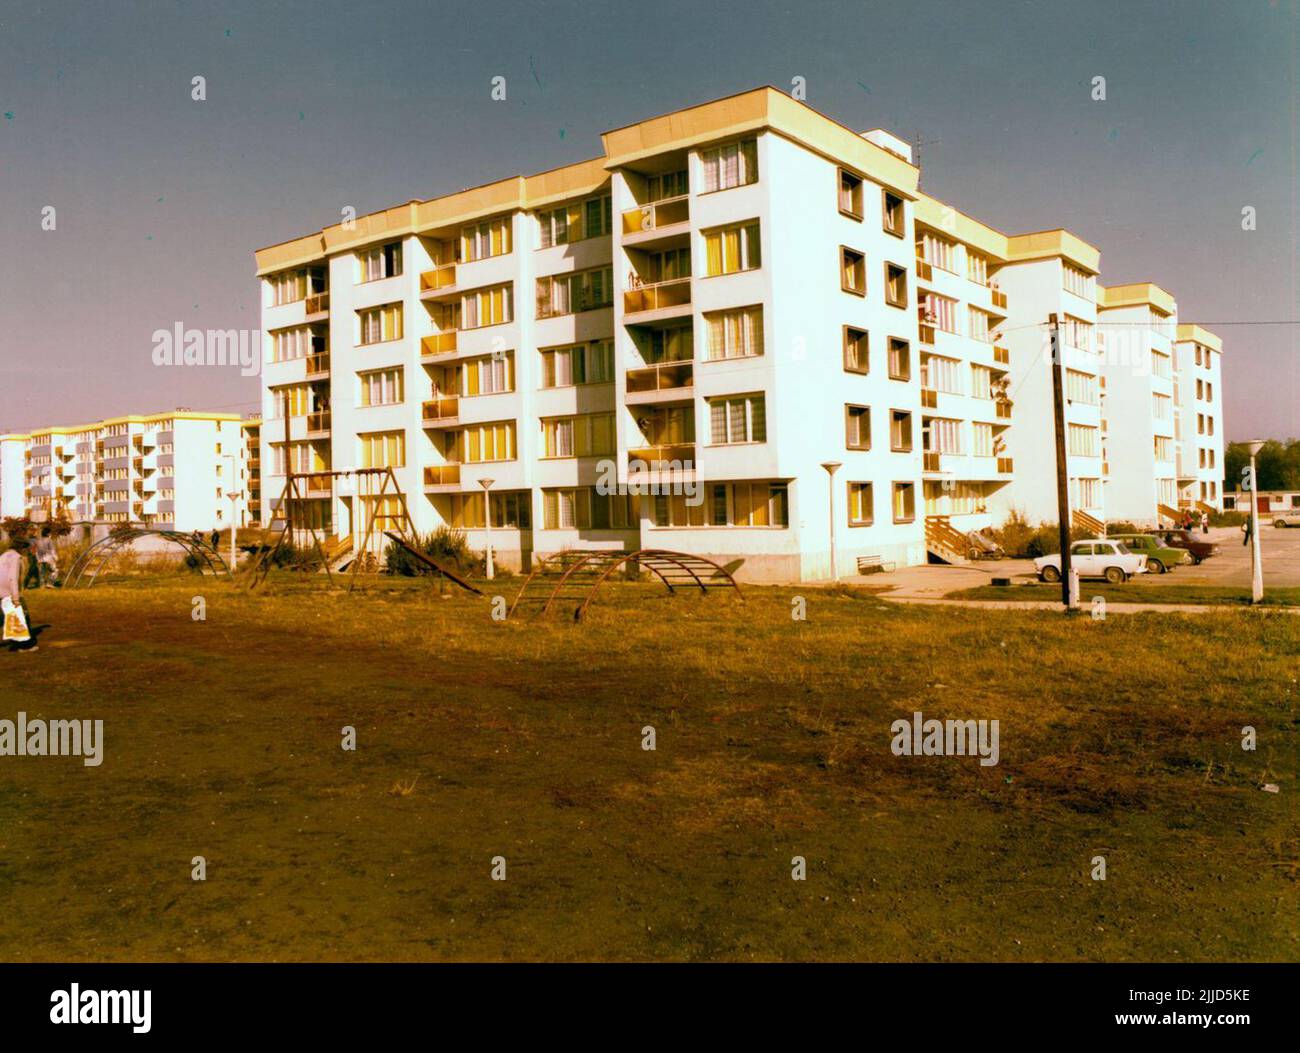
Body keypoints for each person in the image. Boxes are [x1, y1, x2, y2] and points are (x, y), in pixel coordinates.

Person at [1, 544, 37, 652]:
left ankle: (16, 642)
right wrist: (16, 597)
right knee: (20, 616)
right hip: (8, 592)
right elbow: (13, 577)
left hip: (1, 590)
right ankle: (24, 645)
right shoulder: (16, 558)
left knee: (7, 617)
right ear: (22, 548)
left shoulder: (2, 556)